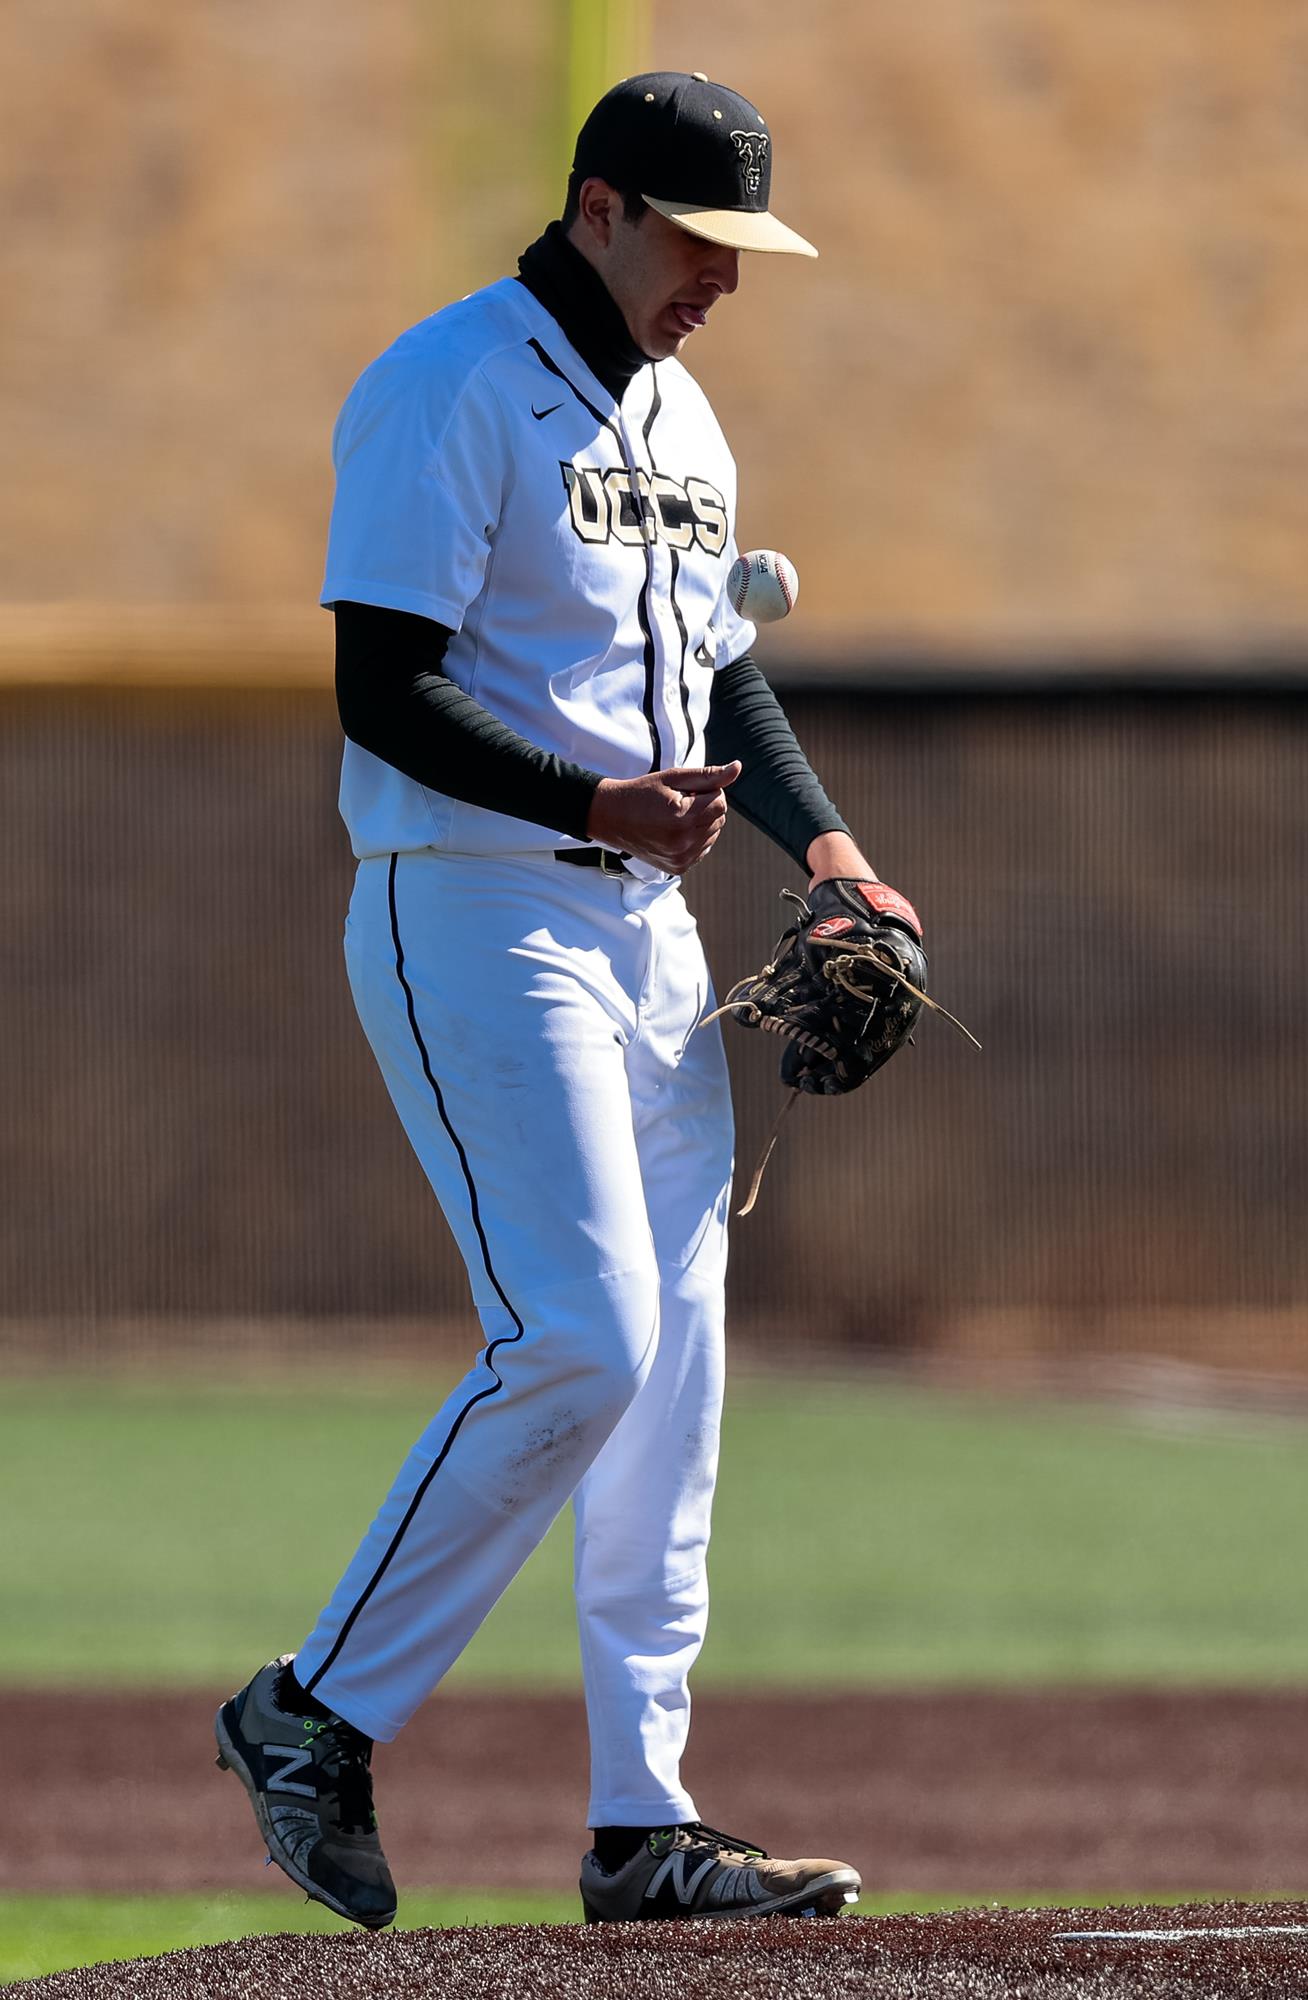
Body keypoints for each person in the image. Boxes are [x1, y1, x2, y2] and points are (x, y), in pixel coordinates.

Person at [215, 70, 911, 1929]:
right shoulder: (448, 384)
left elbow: (718, 685)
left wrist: (829, 854)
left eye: (742, 250)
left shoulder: (686, 418)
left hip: (648, 937)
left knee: (671, 1376)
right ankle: (311, 1708)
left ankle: (643, 1821)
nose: (725, 282)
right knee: (583, 1332)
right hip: (479, 913)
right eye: (700, 242)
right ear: (600, 208)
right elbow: (385, 683)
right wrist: (587, 799)